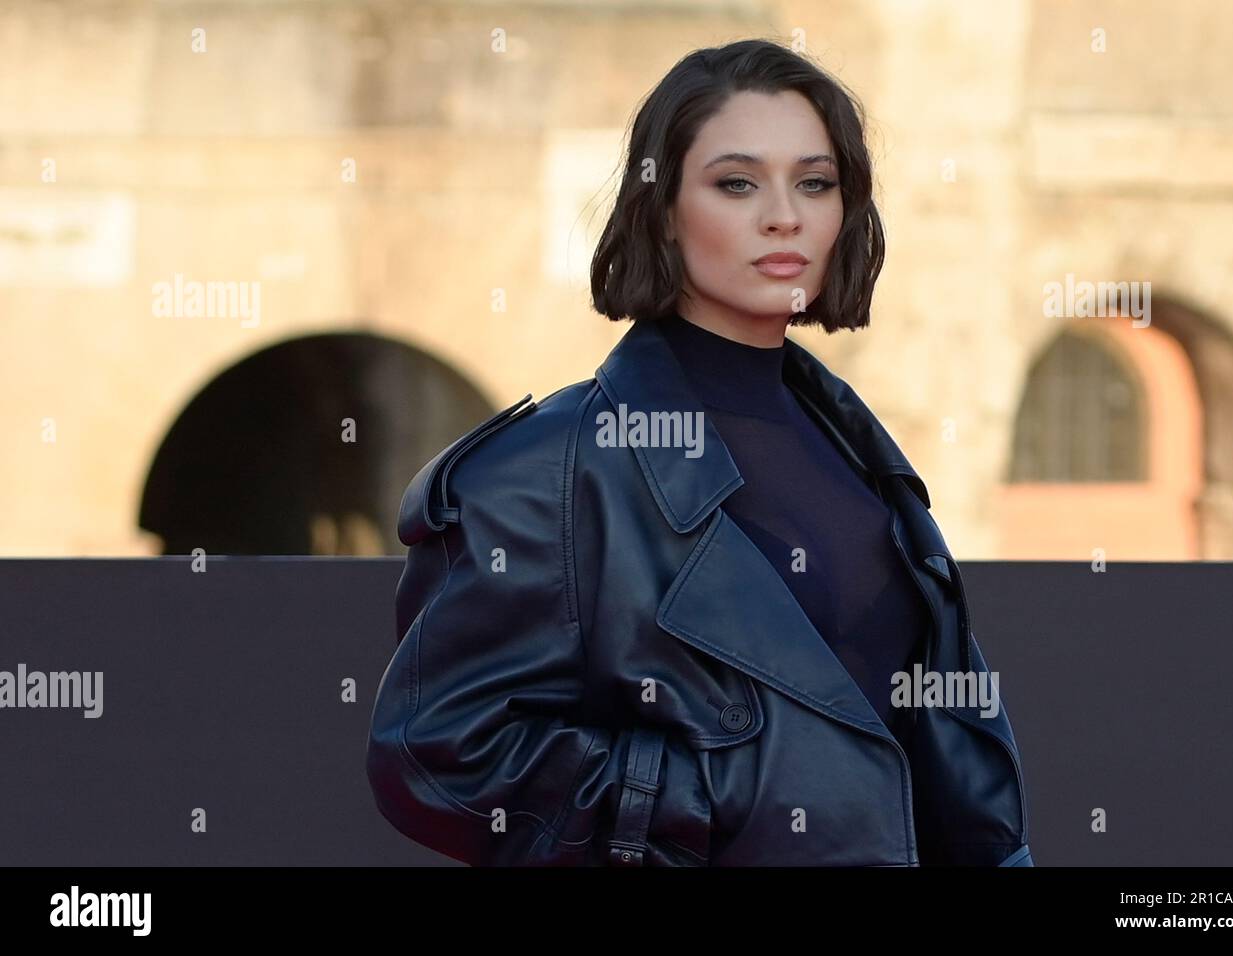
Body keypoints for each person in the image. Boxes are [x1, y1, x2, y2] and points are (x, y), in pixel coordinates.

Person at [366, 38, 1033, 867]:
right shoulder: (554, 466)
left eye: (815, 183)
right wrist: (705, 806)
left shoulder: (855, 447)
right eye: (737, 183)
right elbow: (433, 750)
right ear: (665, 212)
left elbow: (926, 731)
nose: (784, 215)